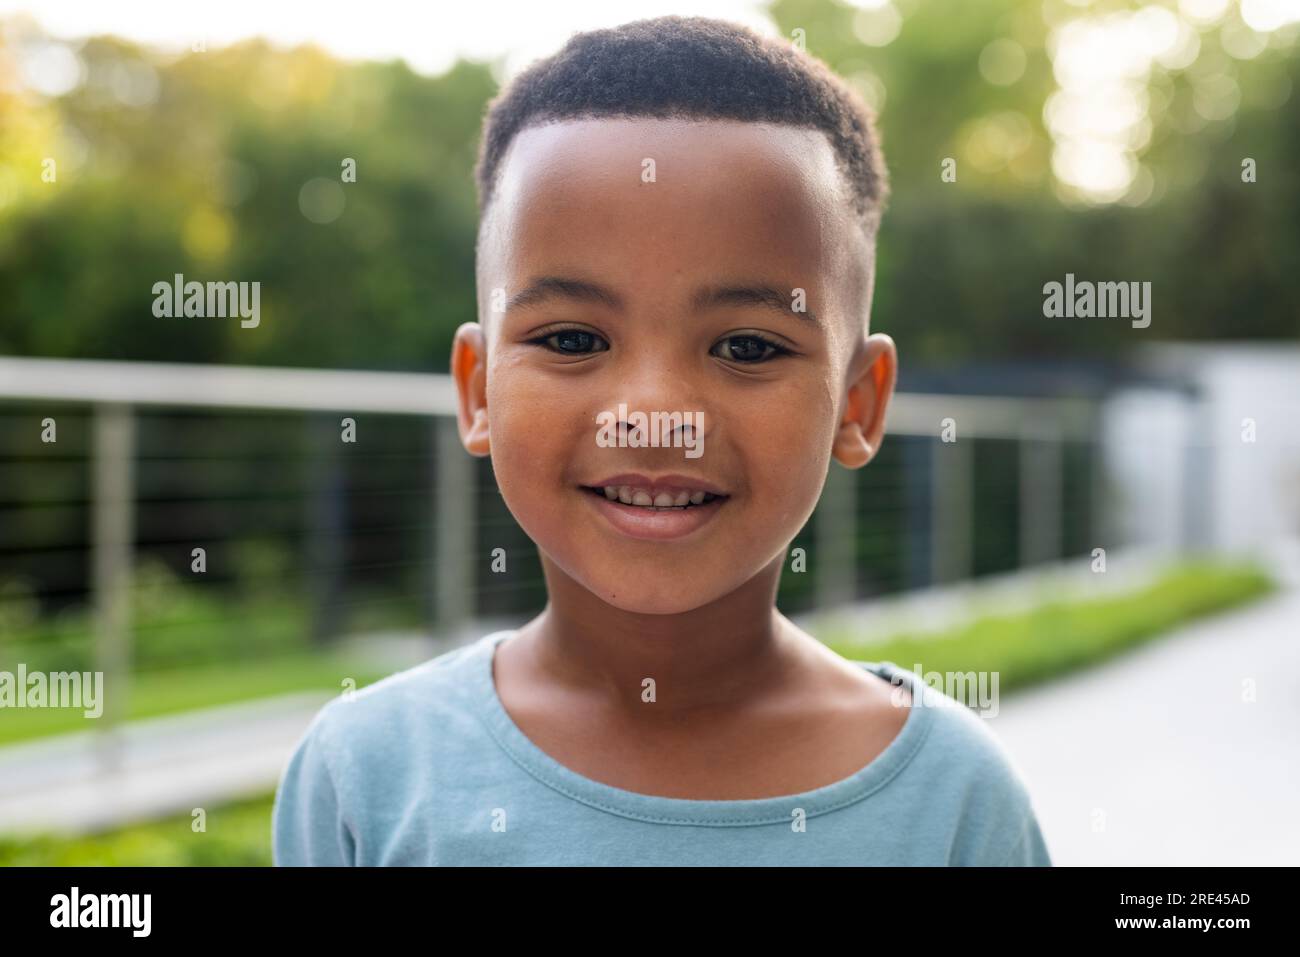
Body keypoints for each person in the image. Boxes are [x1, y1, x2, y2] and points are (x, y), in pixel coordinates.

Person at [273, 15, 1052, 866]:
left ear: (858, 404)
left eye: (748, 347)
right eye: (573, 340)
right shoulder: (365, 774)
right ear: (478, 389)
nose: (652, 415)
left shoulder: (954, 802)